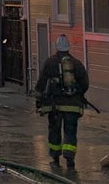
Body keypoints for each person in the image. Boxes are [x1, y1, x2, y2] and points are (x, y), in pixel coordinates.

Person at [34, 34, 89, 169]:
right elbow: (85, 83)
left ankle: (55, 159)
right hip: (73, 107)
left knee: (54, 131)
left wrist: (39, 101)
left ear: (56, 47)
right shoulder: (76, 63)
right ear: (68, 48)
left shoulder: (49, 63)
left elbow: (41, 83)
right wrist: (78, 93)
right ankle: (70, 161)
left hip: (55, 106)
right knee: (70, 132)